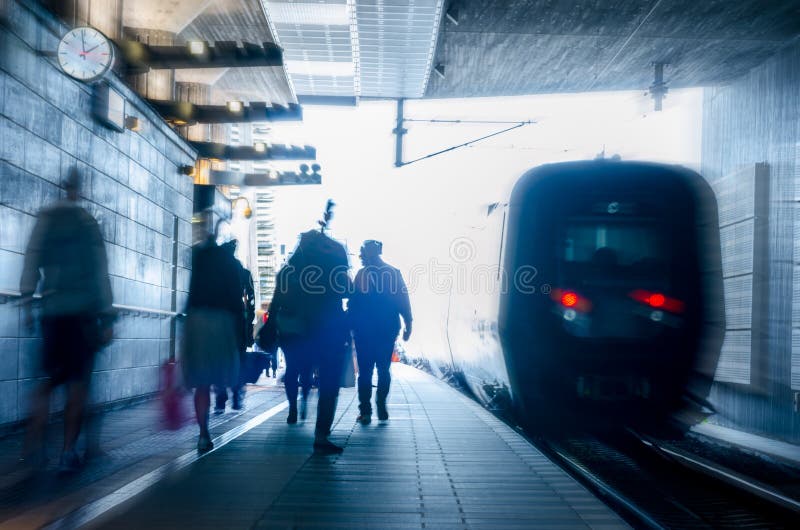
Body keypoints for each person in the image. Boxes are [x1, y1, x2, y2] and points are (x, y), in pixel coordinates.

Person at [19, 167, 114, 472]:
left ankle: (34, 447)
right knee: (78, 384)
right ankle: (67, 452)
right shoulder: (88, 223)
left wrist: (26, 302)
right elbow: (100, 271)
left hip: (52, 310)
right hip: (82, 314)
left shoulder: (46, 219)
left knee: (47, 381)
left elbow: (32, 258)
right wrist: (107, 316)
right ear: (80, 189)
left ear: (63, 186)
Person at [182, 231, 242, 452]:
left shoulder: (197, 258)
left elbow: (190, 293)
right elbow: (236, 297)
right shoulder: (229, 262)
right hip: (221, 320)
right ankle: (224, 396)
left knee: (201, 381)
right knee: (221, 370)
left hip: (196, 320)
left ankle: (203, 433)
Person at [348, 240, 412, 424]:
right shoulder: (393, 273)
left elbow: (354, 304)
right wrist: (409, 324)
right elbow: (403, 301)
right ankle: (381, 404)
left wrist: (349, 327)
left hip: (364, 331)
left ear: (365, 254)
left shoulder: (361, 275)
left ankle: (365, 411)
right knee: (384, 369)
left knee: (365, 372)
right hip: (387, 329)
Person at [215, 240, 255, 413]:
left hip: (218, 321)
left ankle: (220, 397)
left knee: (219, 360)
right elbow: (251, 299)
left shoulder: (216, 271)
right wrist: (250, 318)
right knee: (239, 359)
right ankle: (237, 395)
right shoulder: (243, 272)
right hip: (238, 320)